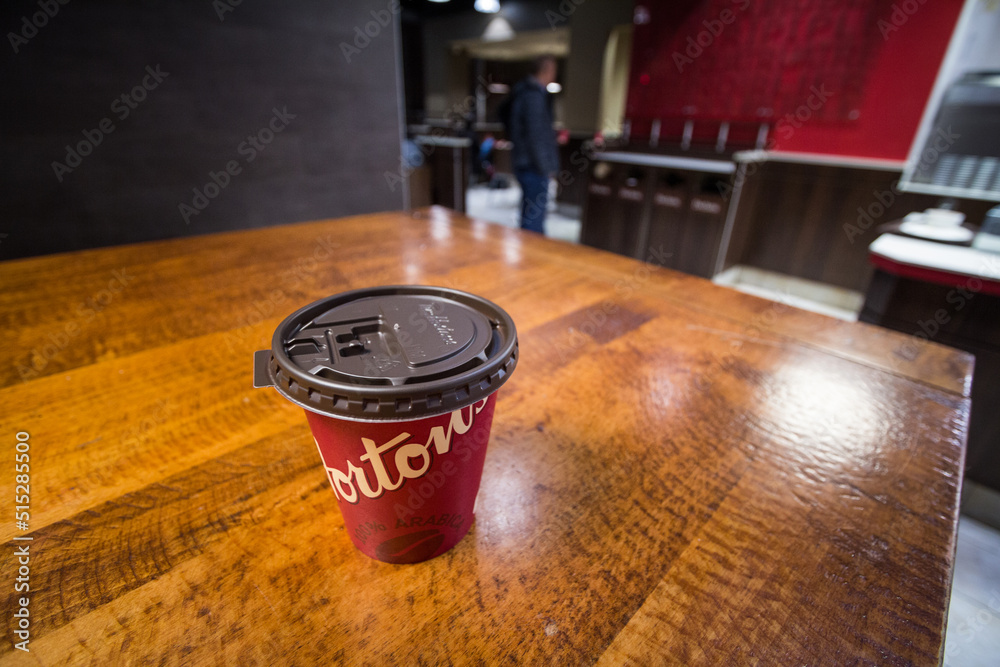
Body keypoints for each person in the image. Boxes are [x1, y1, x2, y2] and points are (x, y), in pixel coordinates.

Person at [510, 56, 559, 234]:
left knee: (529, 214)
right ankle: (531, 259)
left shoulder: (523, 92)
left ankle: (526, 255)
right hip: (533, 166)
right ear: (546, 70)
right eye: (553, 70)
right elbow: (536, 136)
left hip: (525, 163)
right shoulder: (533, 96)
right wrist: (546, 167)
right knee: (534, 220)